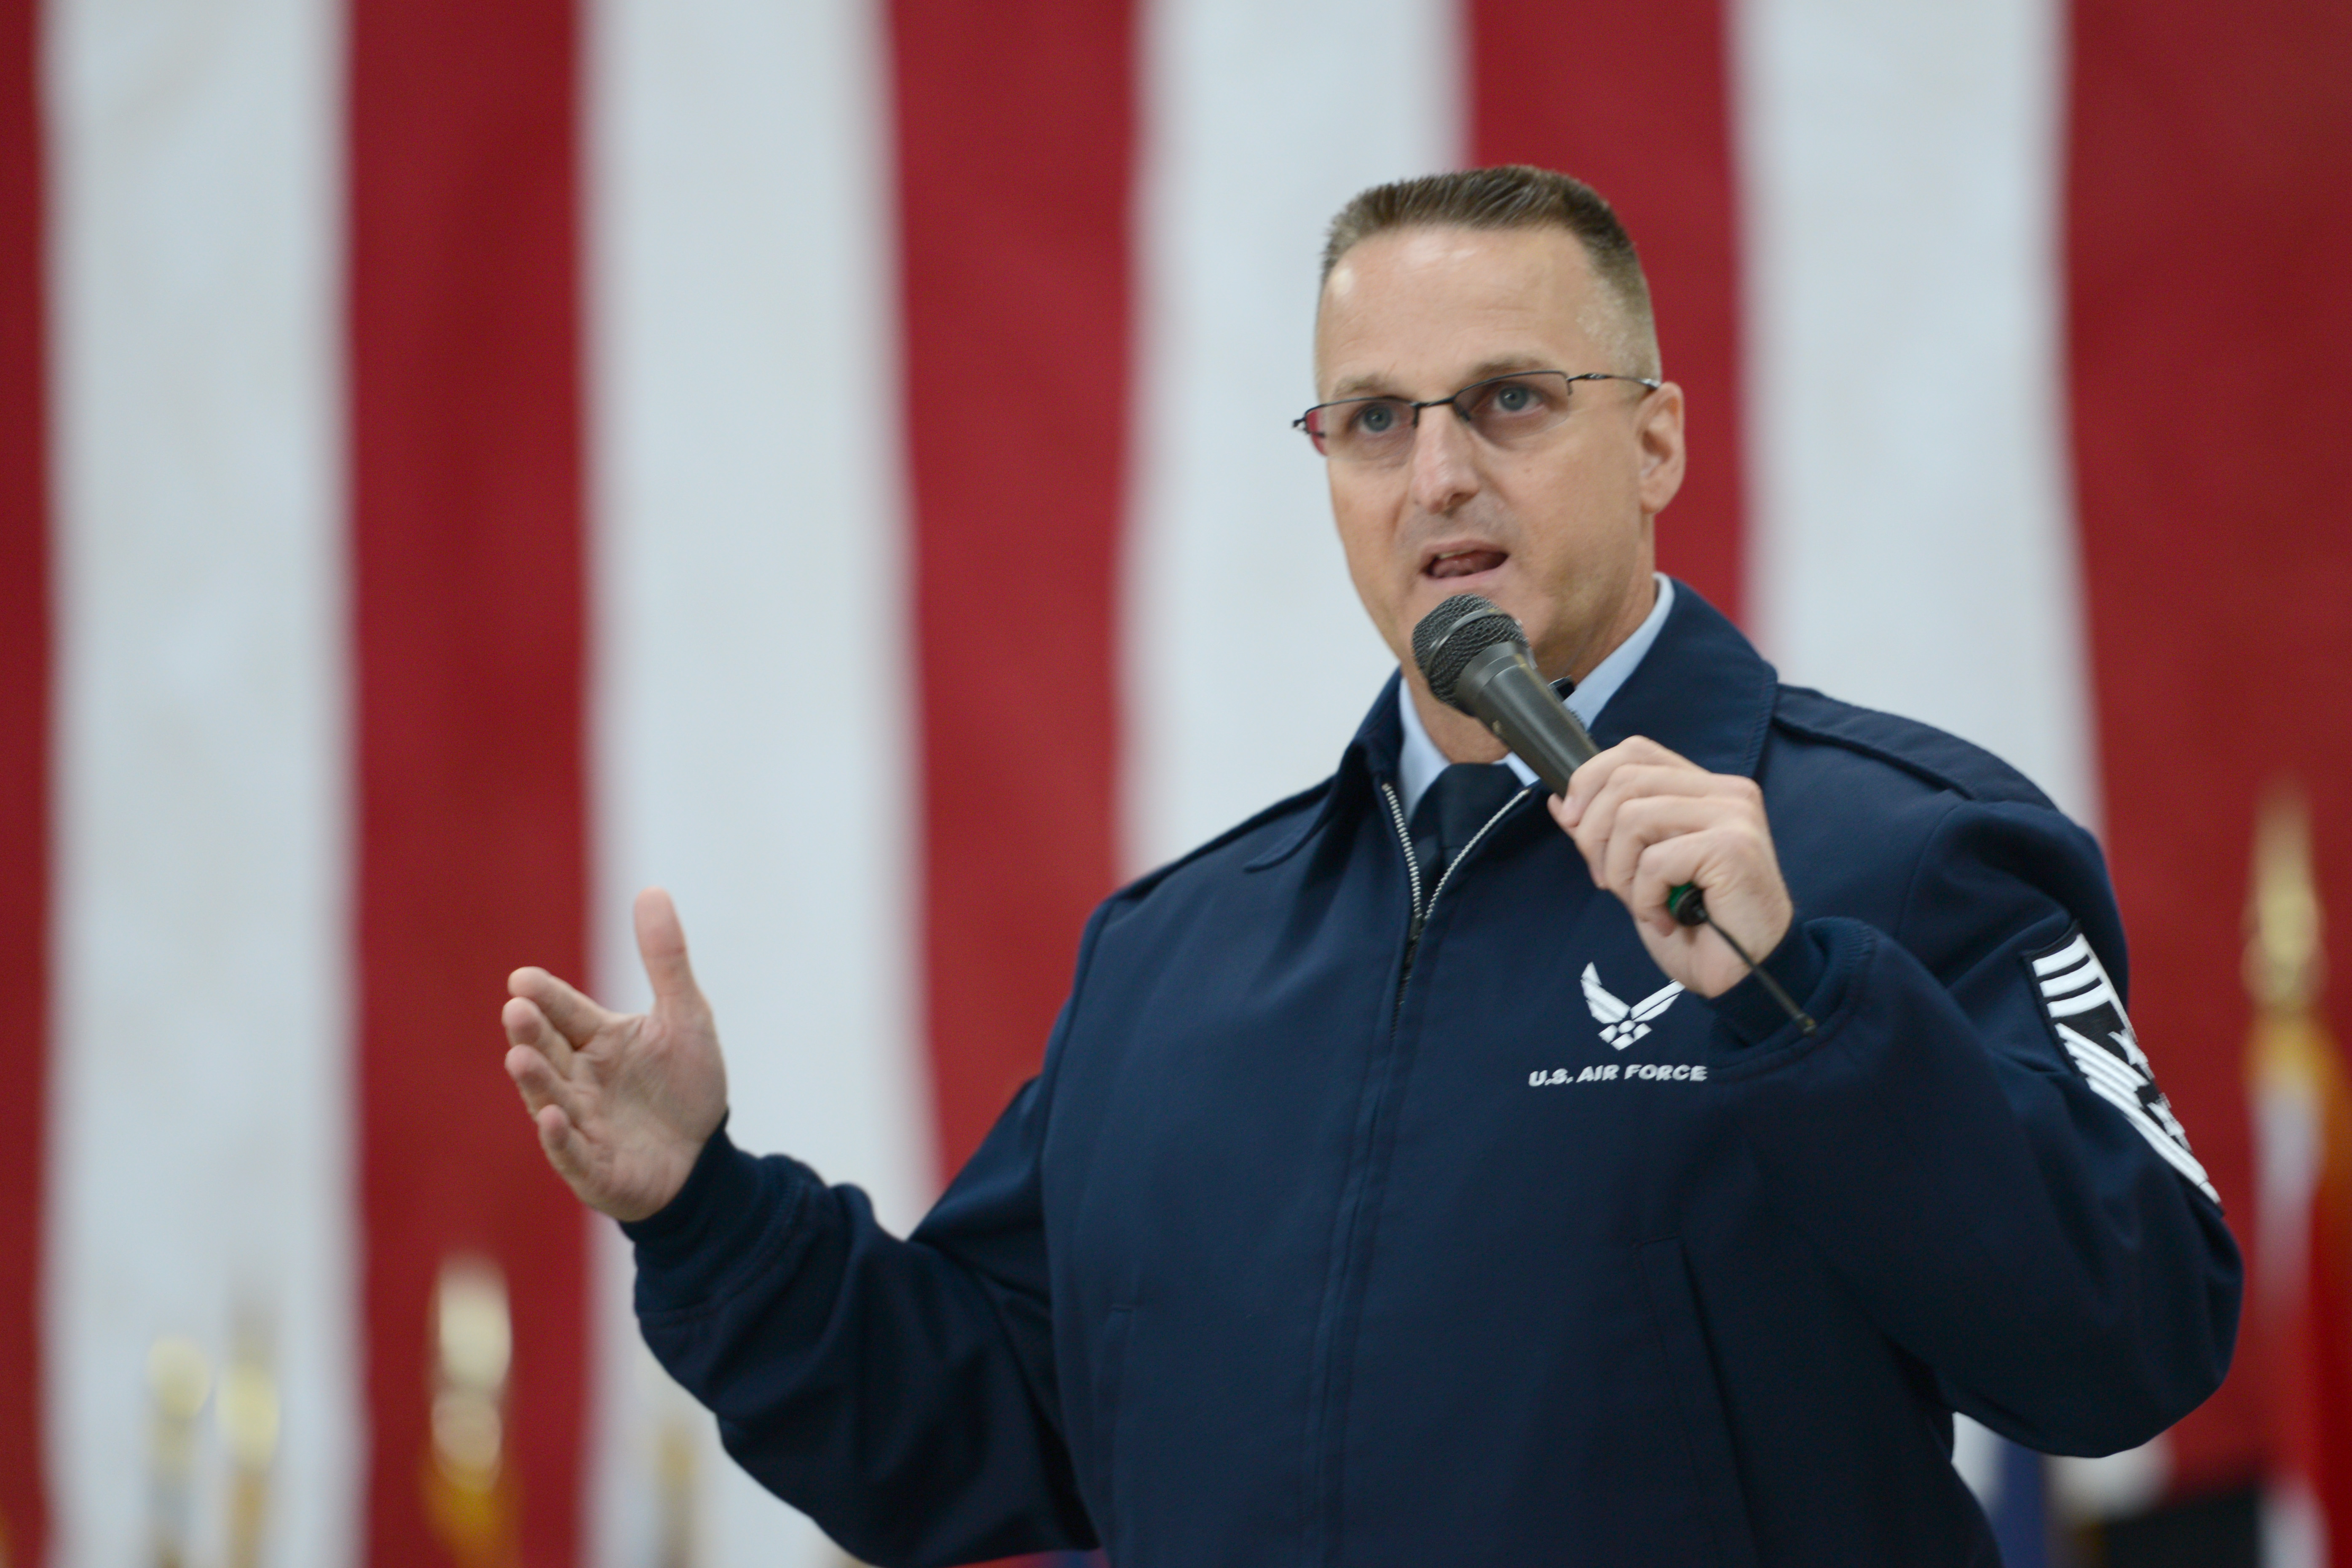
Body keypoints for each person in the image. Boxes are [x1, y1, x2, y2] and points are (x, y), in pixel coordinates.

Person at [501, 166, 2238, 1566]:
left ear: (1655, 443)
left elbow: (2131, 1338)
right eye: (1373, 419)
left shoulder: (1896, 851)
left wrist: (1815, 1003)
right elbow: (972, 1437)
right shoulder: (1177, 959)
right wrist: (706, 1211)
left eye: (1508, 399)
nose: (1440, 472)